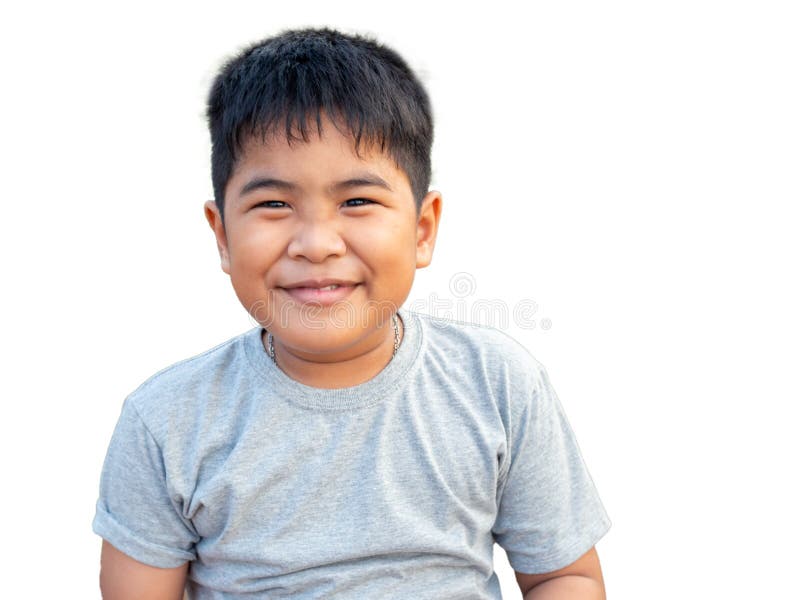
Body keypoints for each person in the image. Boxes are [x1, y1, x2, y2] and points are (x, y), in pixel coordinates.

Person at [92, 27, 612, 599]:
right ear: (222, 236)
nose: (316, 244)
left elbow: (565, 576)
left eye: (357, 201)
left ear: (422, 227)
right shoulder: (167, 421)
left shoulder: (497, 385)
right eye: (273, 204)